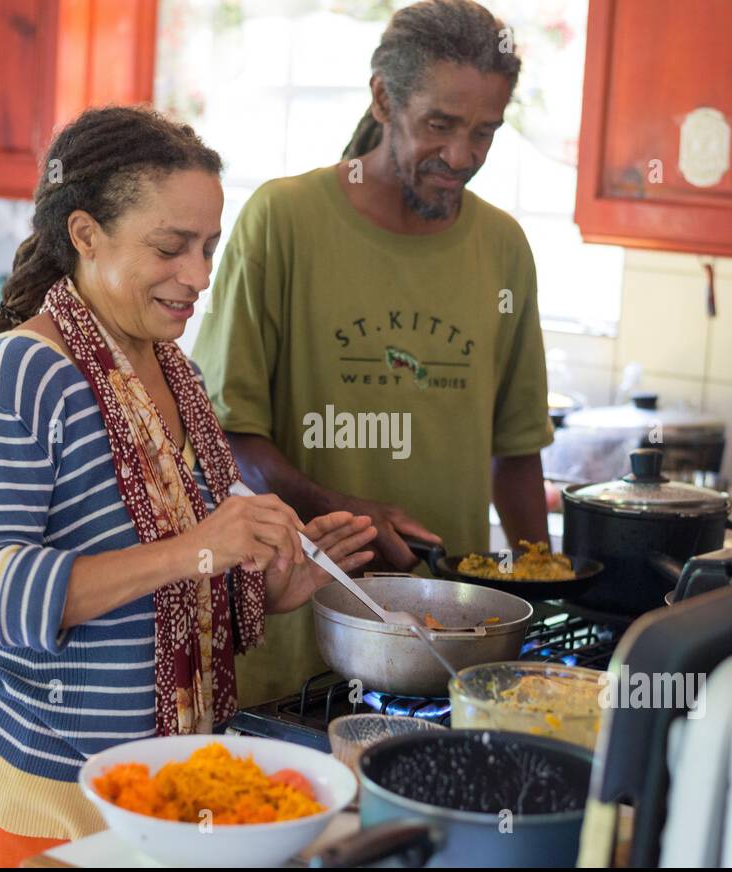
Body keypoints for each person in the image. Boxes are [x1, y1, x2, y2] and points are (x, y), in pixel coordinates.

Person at [0, 106, 376, 867]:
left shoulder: (175, 372)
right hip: (46, 796)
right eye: (171, 247)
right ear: (85, 234)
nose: (199, 277)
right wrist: (193, 550)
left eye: (209, 247)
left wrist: (271, 584)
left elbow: (171, 585)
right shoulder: (23, 371)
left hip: (160, 794)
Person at [192, 0, 553, 704]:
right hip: (296, 644)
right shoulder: (283, 222)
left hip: (449, 651)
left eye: (485, 132)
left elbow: (516, 452)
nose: (463, 157)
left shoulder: (503, 247)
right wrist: (344, 511)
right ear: (384, 99)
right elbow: (224, 437)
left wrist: (542, 592)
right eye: (440, 126)